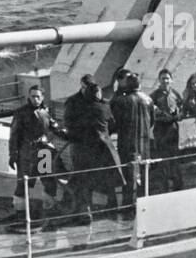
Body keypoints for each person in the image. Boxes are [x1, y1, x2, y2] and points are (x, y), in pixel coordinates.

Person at [62, 75, 123, 218]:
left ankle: (88, 210)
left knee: (93, 179)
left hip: (88, 147)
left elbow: (69, 126)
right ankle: (93, 208)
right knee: (91, 179)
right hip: (93, 147)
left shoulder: (98, 104)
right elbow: (113, 124)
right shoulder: (77, 102)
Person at [8, 85, 67, 217]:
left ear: (42, 97)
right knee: (23, 183)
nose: (35, 99)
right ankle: (20, 210)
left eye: (38, 96)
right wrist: (13, 154)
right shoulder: (20, 113)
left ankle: (48, 206)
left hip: (43, 152)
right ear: (29, 97)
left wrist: (69, 135)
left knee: (48, 180)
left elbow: (55, 127)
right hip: (26, 154)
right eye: (32, 96)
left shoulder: (45, 111)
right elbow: (14, 135)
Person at [110, 72, 154, 206]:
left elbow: (115, 123)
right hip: (144, 144)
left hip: (127, 144)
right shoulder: (148, 99)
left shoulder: (121, 101)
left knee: (129, 177)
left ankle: (127, 205)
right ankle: (143, 204)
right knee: (144, 175)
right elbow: (151, 121)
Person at [149, 69, 186, 192]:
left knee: (175, 157)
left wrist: (177, 116)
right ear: (159, 80)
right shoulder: (153, 96)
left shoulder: (175, 94)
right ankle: (164, 187)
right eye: (163, 78)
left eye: (167, 78)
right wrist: (163, 117)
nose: (165, 81)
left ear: (171, 80)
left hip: (173, 129)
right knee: (163, 159)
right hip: (161, 130)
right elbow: (151, 114)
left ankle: (178, 186)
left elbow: (182, 110)